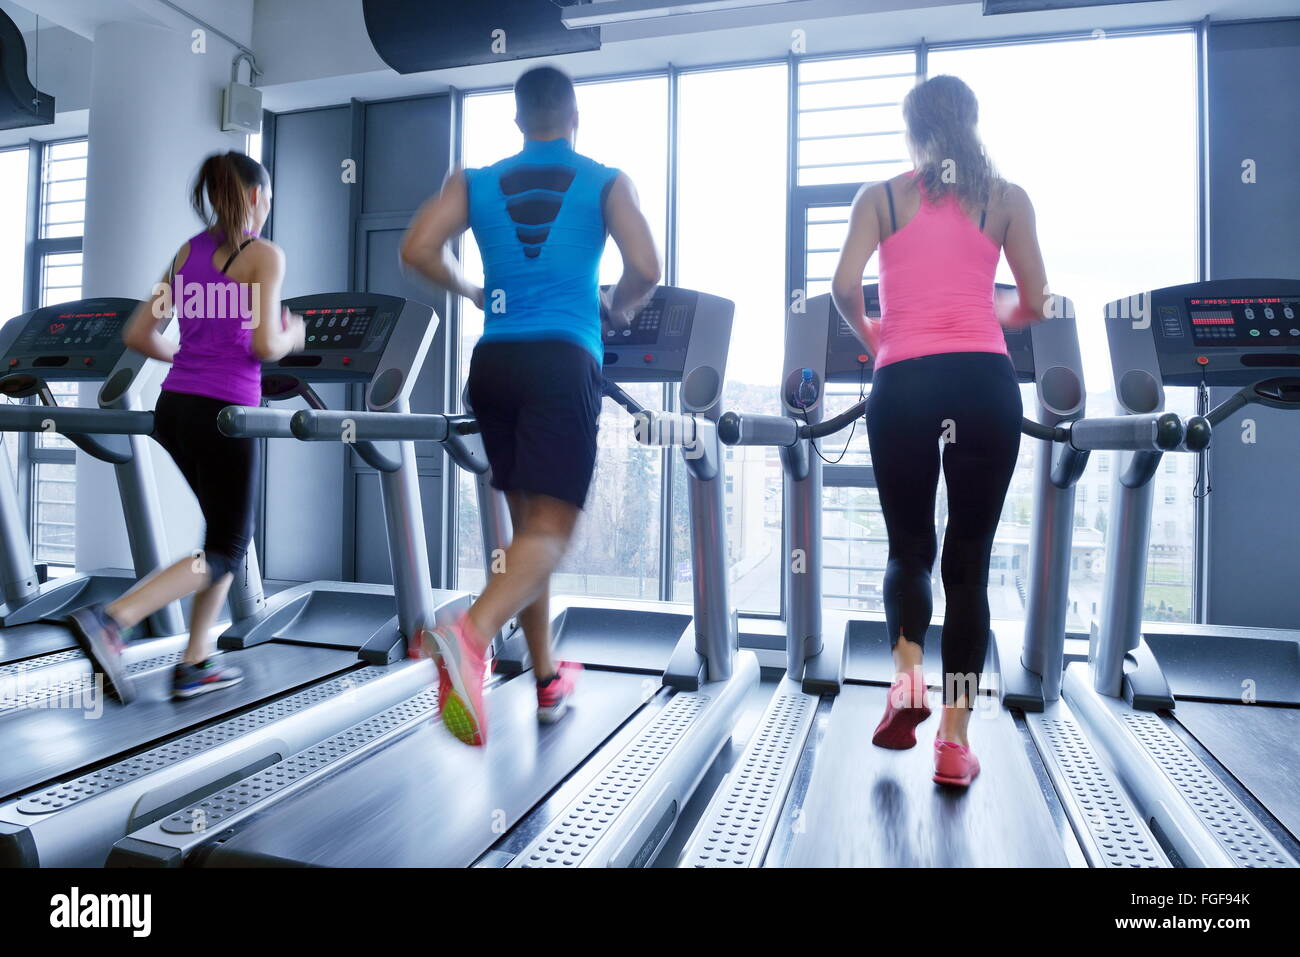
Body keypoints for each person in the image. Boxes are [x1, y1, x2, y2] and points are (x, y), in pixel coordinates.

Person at [400, 65, 661, 746]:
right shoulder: (606, 181)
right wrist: (617, 307)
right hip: (560, 360)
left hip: (494, 364)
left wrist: (471, 289)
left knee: (525, 537)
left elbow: (417, 248)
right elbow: (648, 266)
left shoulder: (474, 182)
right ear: (575, 116)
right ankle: (470, 635)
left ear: (518, 120)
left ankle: (547, 678)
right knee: (551, 533)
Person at [831, 75, 1049, 787]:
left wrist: (875, 333)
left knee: (910, 548)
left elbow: (842, 287)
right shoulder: (1007, 198)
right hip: (985, 383)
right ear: (972, 123)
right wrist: (989, 321)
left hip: (905, 383)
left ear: (911, 131)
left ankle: (906, 676)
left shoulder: (882, 197)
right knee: (970, 562)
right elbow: (1036, 300)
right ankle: (954, 743)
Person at [65, 151, 305, 703]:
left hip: (176, 411)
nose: (268, 207)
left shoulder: (187, 251)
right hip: (226, 414)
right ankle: (113, 619)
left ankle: (196, 661)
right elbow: (266, 345)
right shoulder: (263, 255)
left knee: (224, 539)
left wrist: (186, 356)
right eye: (266, 198)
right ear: (252, 197)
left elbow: (138, 332)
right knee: (225, 547)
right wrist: (294, 335)